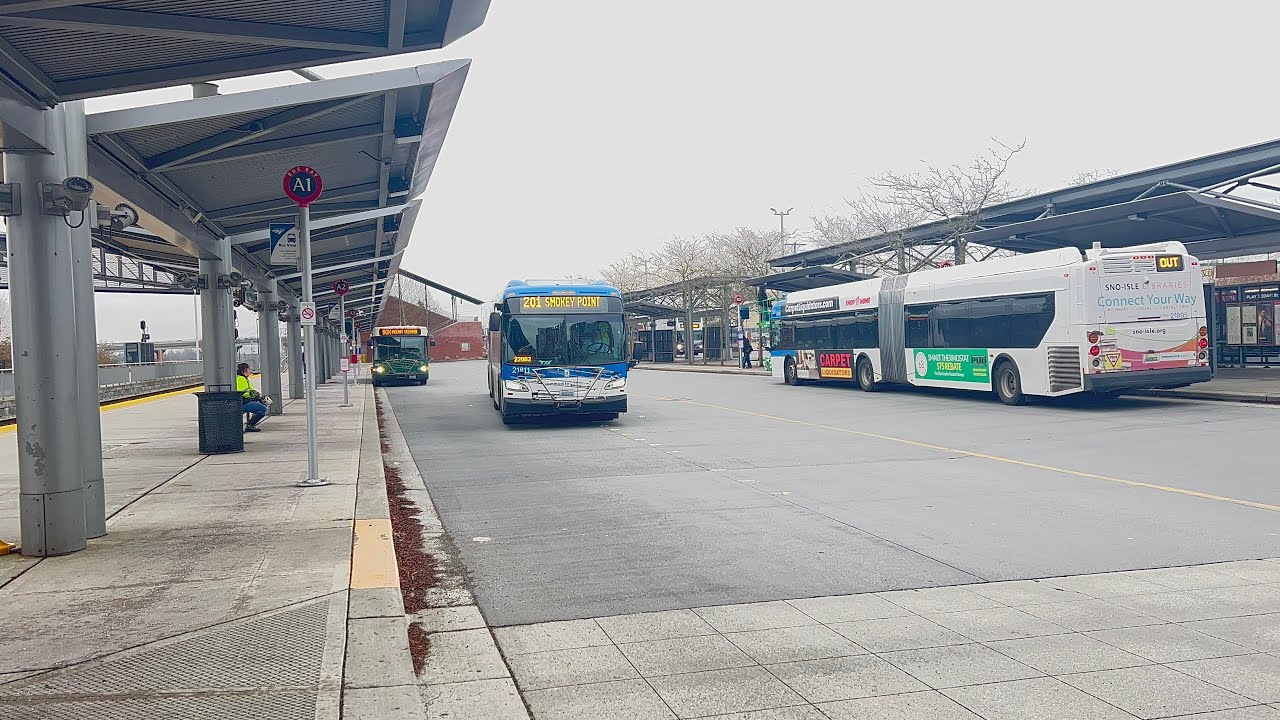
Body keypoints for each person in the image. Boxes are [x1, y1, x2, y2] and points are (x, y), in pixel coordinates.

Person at [237, 363, 269, 432]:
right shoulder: (240, 379)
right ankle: (250, 425)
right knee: (263, 409)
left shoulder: (243, 378)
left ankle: (250, 424)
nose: (250, 371)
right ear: (245, 370)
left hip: (244, 401)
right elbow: (244, 392)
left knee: (261, 406)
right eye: (248, 369)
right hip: (243, 403)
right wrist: (253, 395)